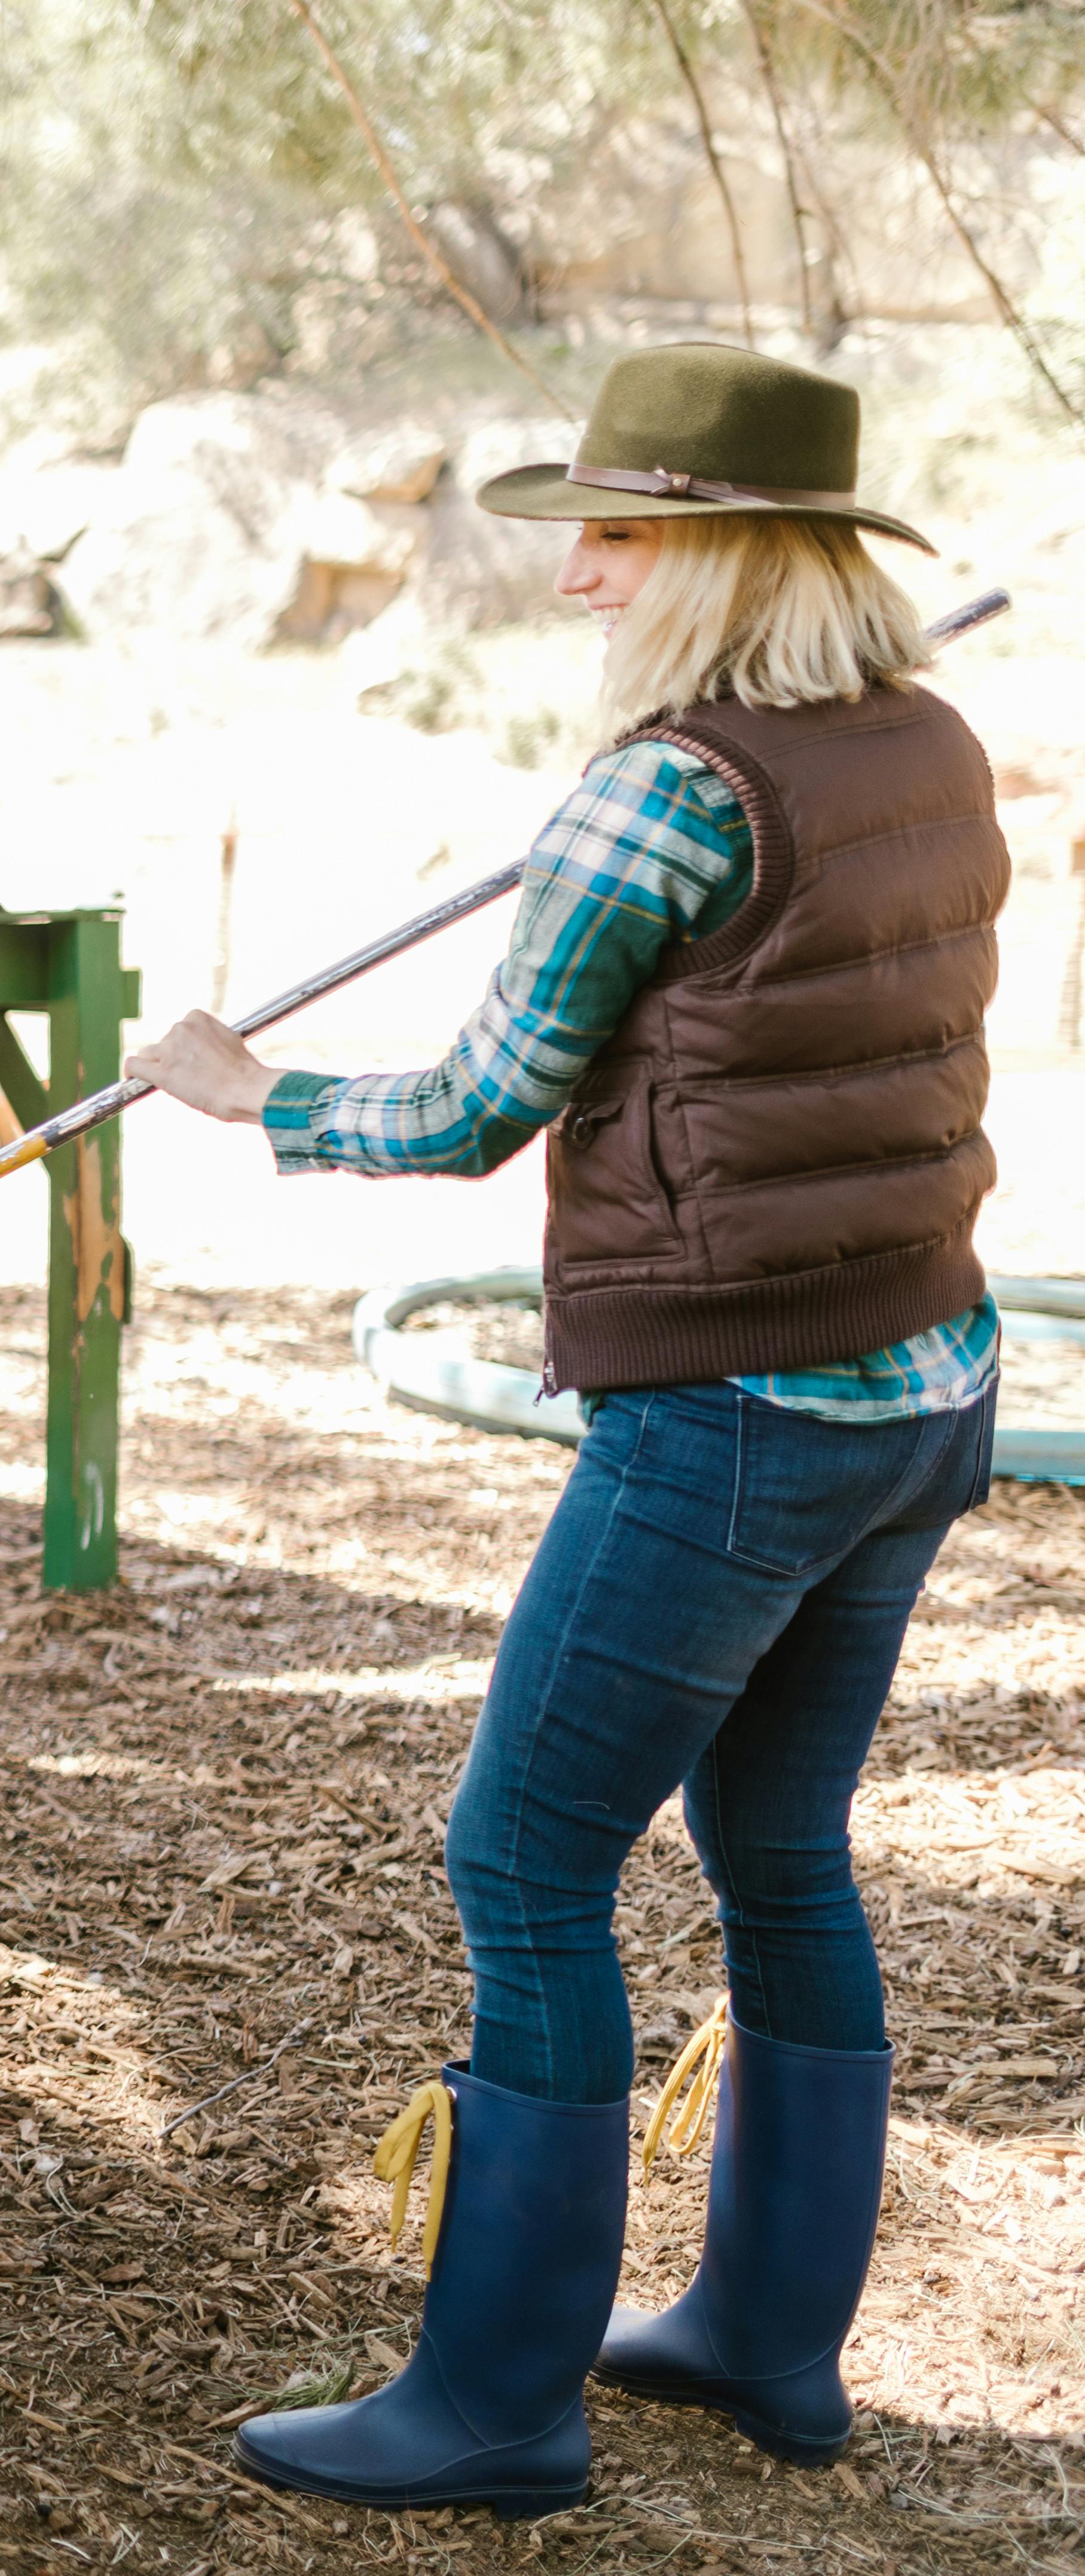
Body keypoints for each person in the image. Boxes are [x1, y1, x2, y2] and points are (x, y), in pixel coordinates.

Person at [128, 343, 1003, 2519]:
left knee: (526, 1861)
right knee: (777, 1849)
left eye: (611, 531)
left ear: (716, 549)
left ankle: (499, 2401)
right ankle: (769, 2344)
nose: (573, 574)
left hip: (739, 1417)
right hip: (921, 1380)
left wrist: (252, 1097)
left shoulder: (661, 792)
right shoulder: (933, 745)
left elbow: (467, 1107)